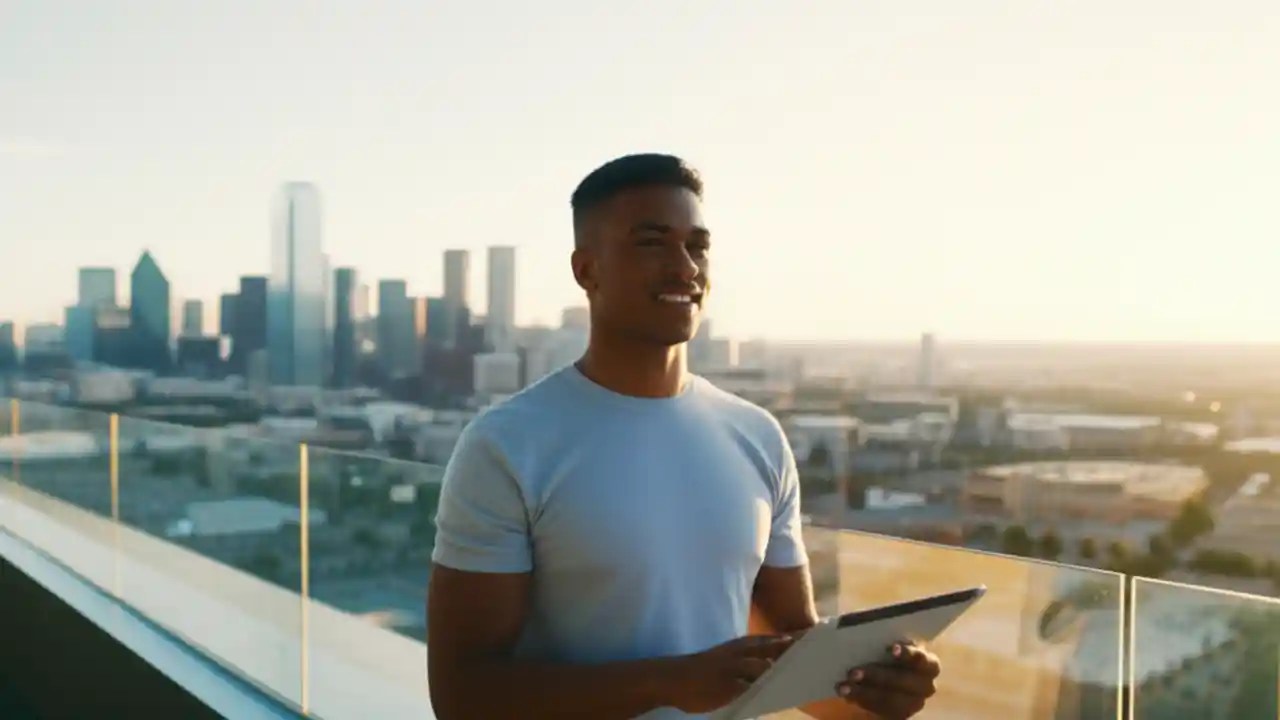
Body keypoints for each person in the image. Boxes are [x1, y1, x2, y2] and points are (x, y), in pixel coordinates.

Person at [426, 153, 941, 719]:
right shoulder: (507, 446)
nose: (686, 268)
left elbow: (796, 666)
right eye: (652, 243)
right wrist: (664, 683)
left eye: (697, 246)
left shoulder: (758, 437)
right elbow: (463, 697)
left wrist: (878, 689)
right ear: (587, 270)